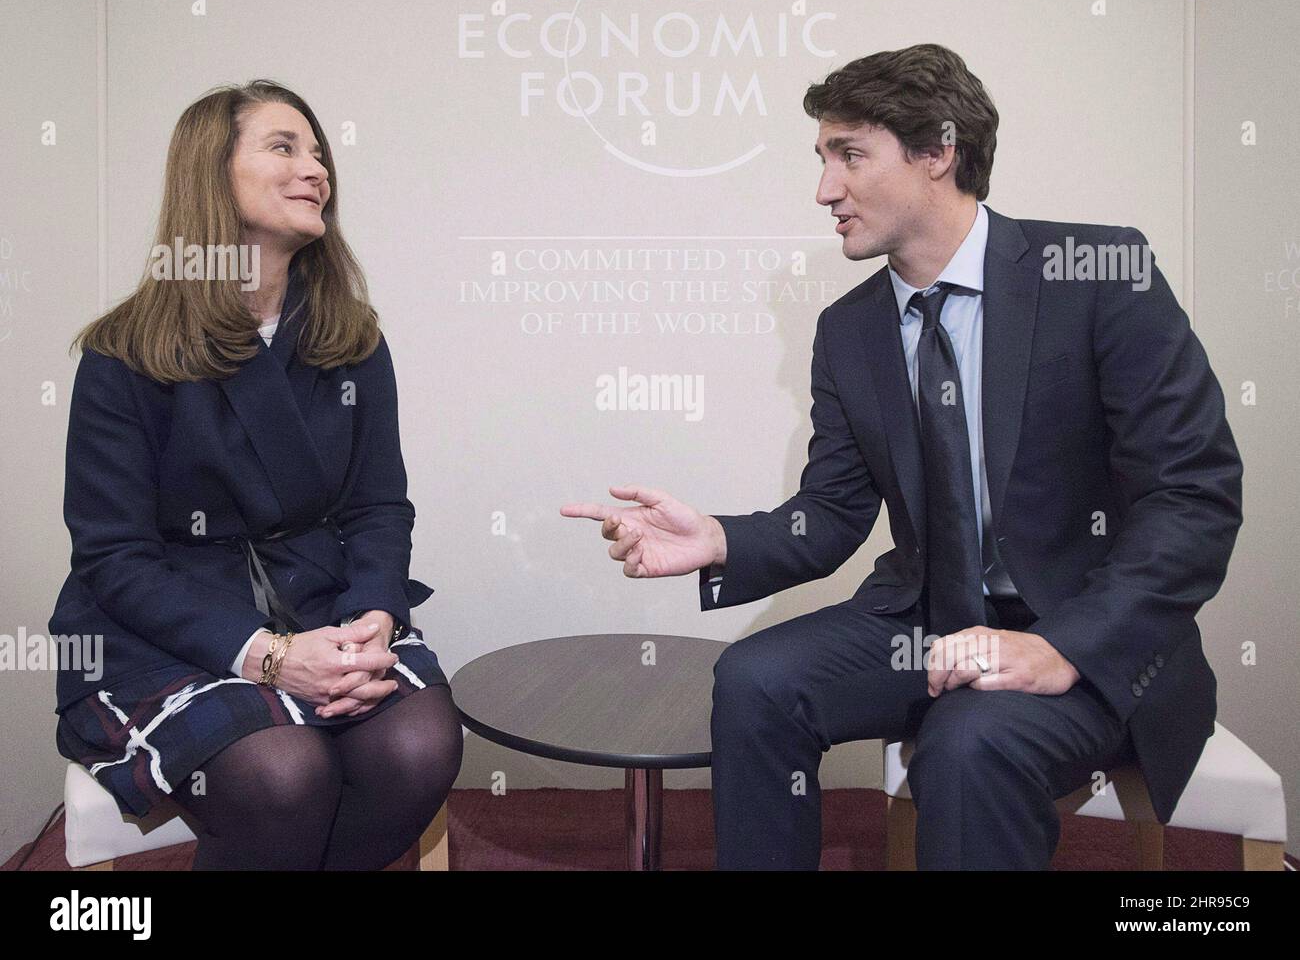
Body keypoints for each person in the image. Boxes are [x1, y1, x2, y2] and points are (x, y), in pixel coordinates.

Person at [562, 44, 1243, 870]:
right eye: (821, 158)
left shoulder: (1100, 275)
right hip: (927, 621)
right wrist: (721, 540)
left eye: (849, 154)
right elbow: (835, 512)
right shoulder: (849, 332)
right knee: (755, 680)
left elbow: (1192, 497)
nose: (824, 189)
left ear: (938, 152)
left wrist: (1062, 646)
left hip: (1088, 624)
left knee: (966, 745)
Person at [50, 79, 462, 870]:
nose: (316, 170)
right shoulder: (124, 353)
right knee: (283, 772)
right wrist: (267, 657)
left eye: (319, 154)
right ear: (212, 173)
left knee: (419, 744)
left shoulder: (352, 337)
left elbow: (379, 506)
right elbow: (114, 558)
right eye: (284, 147)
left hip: (321, 603)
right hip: (166, 631)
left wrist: (374, 612)